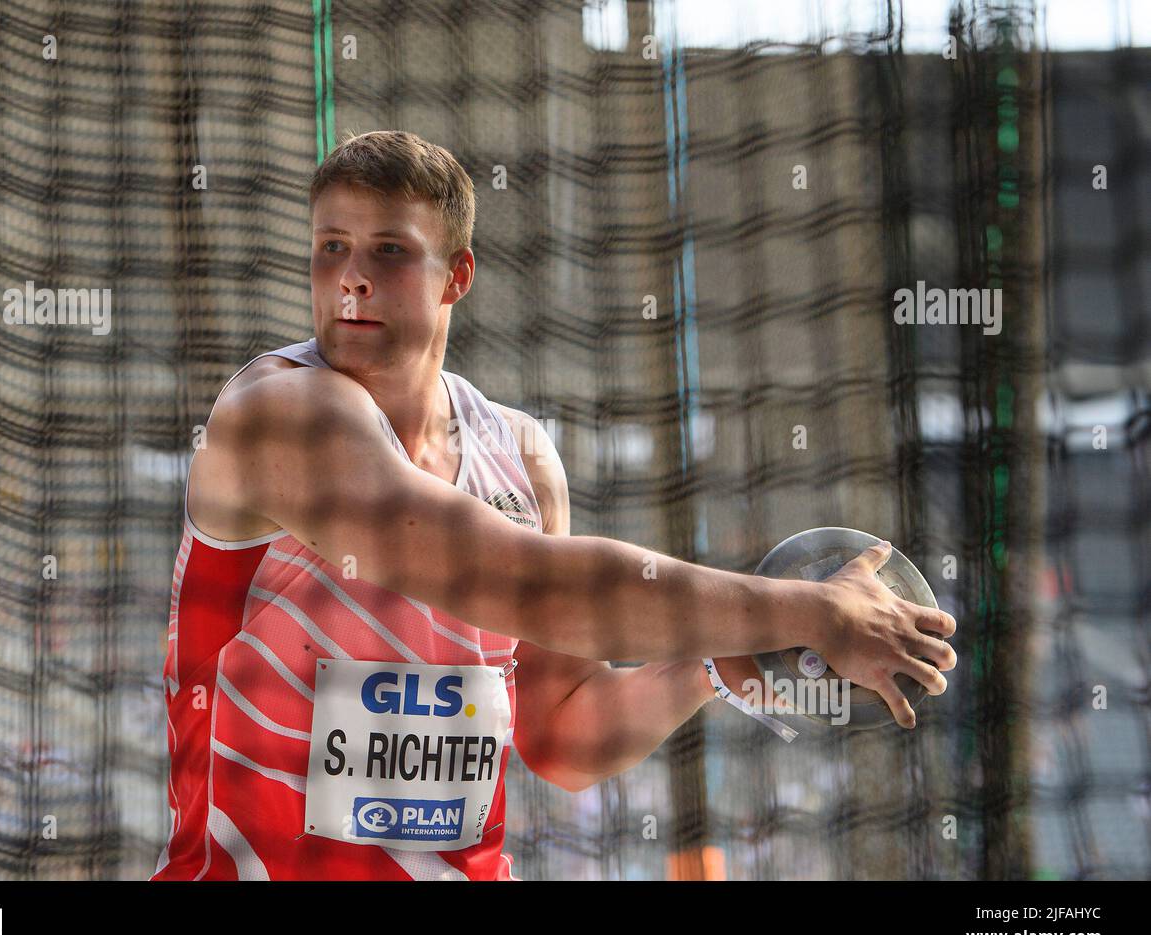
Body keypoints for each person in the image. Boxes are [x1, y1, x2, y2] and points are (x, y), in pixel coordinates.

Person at [152, 130, 957, 881]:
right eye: (332, 249)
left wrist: (708, 665)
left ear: (456, 276)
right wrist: (814, 612)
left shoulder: (521, 454)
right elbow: (528, 584)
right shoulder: (279, 415)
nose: (352, 277)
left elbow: (562, 731)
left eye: (389, 251)